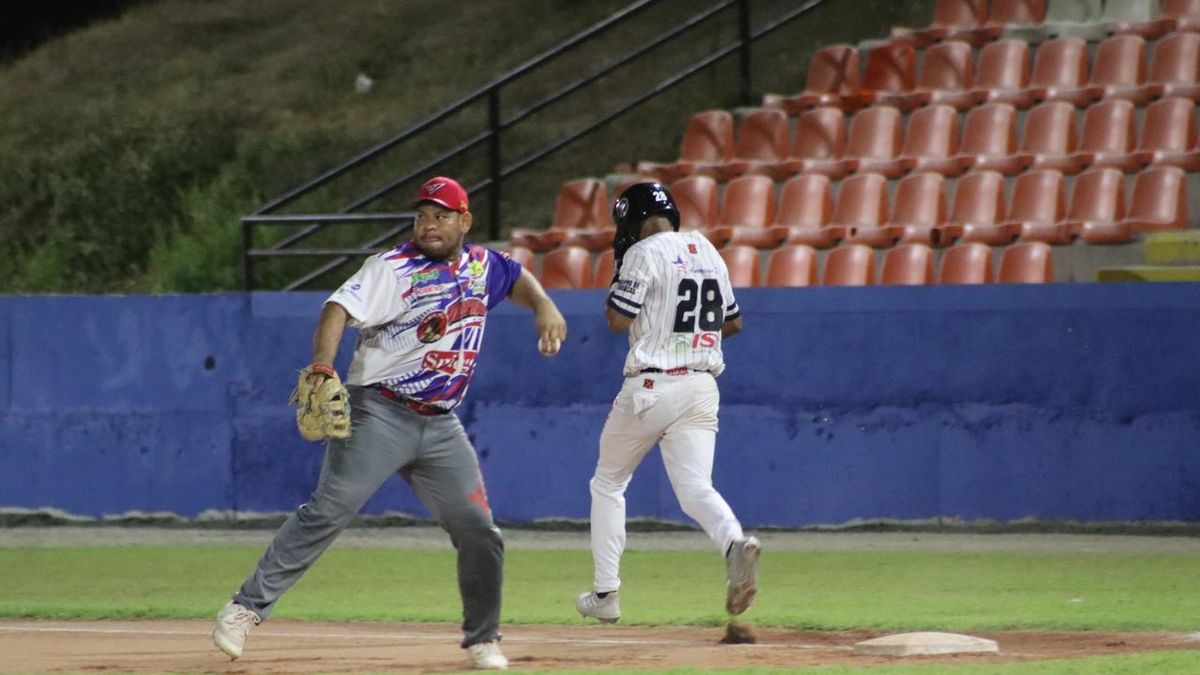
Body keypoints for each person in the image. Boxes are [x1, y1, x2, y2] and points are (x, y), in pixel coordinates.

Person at [212, 175, 567, 671]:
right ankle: (244, 609)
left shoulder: (483, 265)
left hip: (440, 424)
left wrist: (545, 305)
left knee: (479, 530)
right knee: (329, 510)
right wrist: (321, 366)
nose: (429, 225)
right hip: (379, 410)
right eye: (422, 215)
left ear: (464, 221)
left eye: (441, 215)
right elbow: (337, 307)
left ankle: (483, 639)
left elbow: (517, 275)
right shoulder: (393, 269)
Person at [575, 182, 760, 624]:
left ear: (632, 219)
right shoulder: (707, 248)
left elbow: (618, 321)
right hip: (701, 385)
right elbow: (732, 323)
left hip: (652, 385)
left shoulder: (642, 253)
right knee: (696, 489)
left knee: (608, 484)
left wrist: (624, 279)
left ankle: (606, 594)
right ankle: (735, 543)